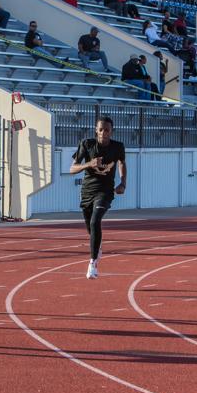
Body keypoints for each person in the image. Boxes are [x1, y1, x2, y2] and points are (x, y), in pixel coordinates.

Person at [70, 116, 126, 279]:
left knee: (96, 221)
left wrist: (123, 183)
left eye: (107, 130)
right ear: (96, 130)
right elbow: (72, 169)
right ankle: (97, 246)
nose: (103, 133)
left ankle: (92, 263)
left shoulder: (118, 147)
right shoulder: (86, 144)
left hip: (105, 191)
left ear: (111, 131)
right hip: (87, 191)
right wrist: (89, 164)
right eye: (100, 129)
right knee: (91, 228)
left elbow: (122, 163)